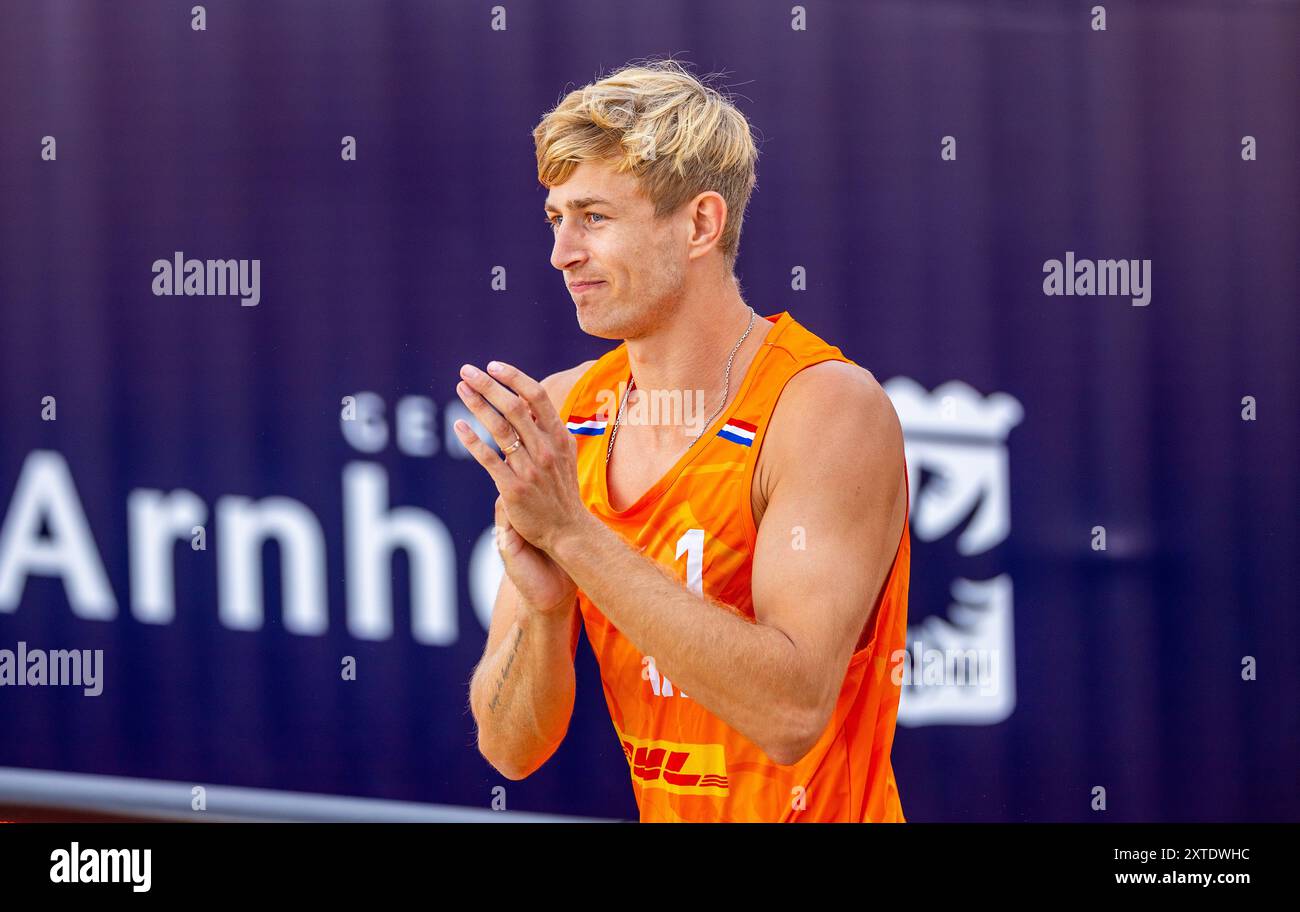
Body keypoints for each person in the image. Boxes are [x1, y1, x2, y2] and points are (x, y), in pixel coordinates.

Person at [459, 58, 909, 822]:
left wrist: (575, 537)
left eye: (594, 218)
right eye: (555, 218)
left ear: (701, 223)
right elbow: (511, 750)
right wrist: (544, 609)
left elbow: (790, 716)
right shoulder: (570, 408)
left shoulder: (823, 408)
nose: (561, 253)